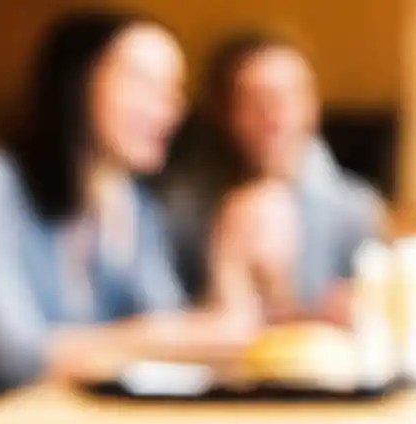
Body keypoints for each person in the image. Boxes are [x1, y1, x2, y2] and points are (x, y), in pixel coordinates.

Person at [0, 11, 242, 387]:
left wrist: (228, 259)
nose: (171, 107)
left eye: (174, 88)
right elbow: (17, 357)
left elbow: (174, 328)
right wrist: (155, 335)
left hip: (62, 423)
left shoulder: (131, 202)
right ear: (78, 80)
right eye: (144, 82)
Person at [165, 32, 384, 325]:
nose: (273, 114)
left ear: (313, 105)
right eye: (254, 99)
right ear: (225, 112)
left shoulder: (355, 209)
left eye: (290, 95)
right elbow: (167, 318)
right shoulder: (181, 209)